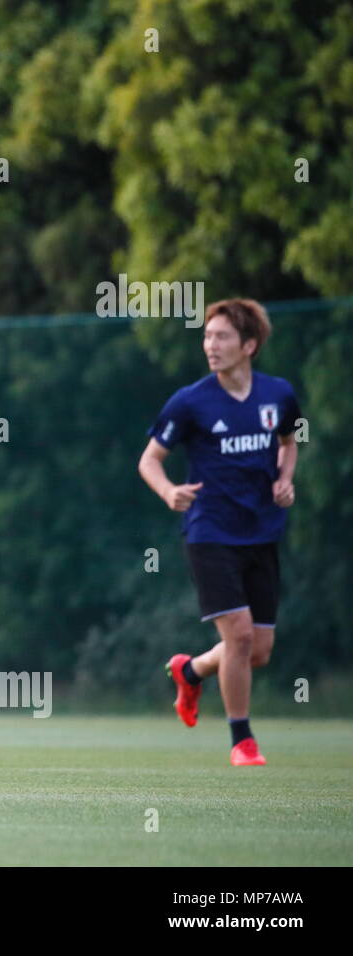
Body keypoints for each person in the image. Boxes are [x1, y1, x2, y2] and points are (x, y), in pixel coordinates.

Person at [138, 298, 300, 766]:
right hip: (210, 532)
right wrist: (168, 492)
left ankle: (190, 671)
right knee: (241, 636)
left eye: (222, 336)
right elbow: (149, 460)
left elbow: (290, 442)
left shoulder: (278, 396)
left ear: (249, 345)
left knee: (258, 650)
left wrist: (285, 477)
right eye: (207, 336)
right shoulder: (191, 401)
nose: (211, 345)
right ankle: (242, 740)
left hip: (262, 531)